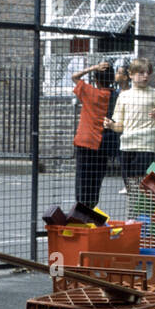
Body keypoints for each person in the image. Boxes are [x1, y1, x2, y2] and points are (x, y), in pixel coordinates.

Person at [107, 58, 155, 200]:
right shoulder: (123, 96)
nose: (145, 76)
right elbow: (119, 126)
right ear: (131, 74)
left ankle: (148, 217)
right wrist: (110, 125)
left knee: (145, 186)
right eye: (141, 72)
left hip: (147, 146)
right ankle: (133, 217)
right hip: (126, 146)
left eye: (148, 73)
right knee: (131, 187)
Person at [69, 60, 114, 209]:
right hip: (103, 143)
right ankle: (92, 206)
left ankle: (81, 208)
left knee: (83, 178)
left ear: (96, 80)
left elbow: (75, 77)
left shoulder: (90, 92)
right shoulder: (116, 97)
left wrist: (94, 67)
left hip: (86, 140)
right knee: (96, 178)